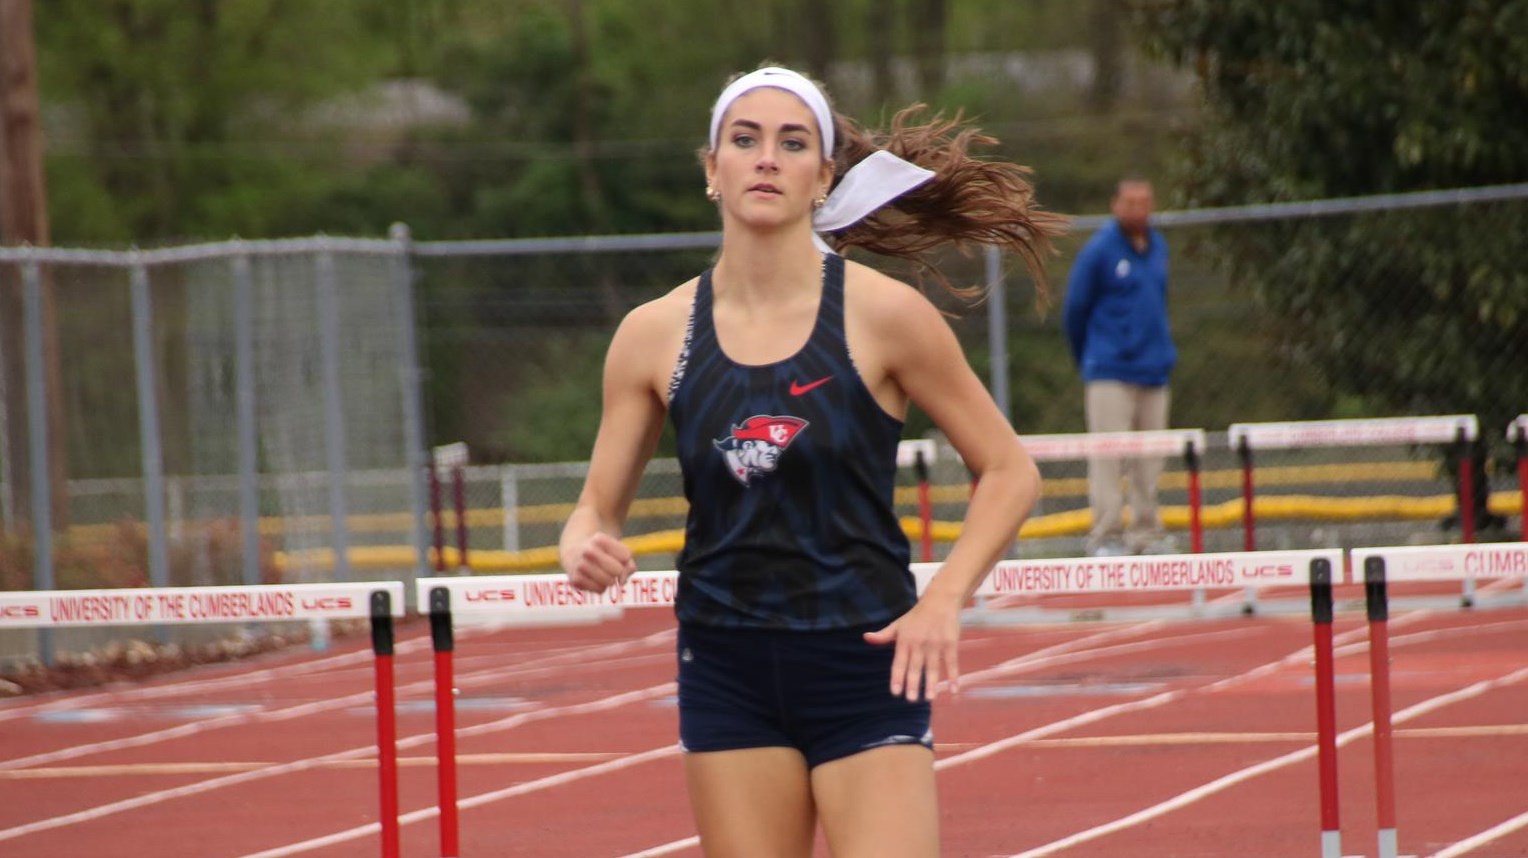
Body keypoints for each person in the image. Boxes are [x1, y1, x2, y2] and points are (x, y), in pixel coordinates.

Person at [560, 65, 1062, 858]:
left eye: (792, 144)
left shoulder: (885, 316)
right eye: (745, 140)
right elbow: (595, 509)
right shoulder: (652, 334)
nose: (767, 158)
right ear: (711, 169)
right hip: (726, 662)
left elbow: (1010, 470)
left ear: (824, 176)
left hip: (862, 660)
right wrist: (581, 544)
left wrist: (944, 600)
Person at [1062, 178, 1177, 557]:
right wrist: (1093, 357)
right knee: (1109, 457)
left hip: (1154, 370)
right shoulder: (1099, 250)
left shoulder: (1158, 246)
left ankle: (1148, 534)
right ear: (1115, 205)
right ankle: (1106, 535)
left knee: (1150, 460)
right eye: (1130, 202)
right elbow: (1075, 310)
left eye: (1145, 202)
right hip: (1110, 371)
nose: (1138, 210)